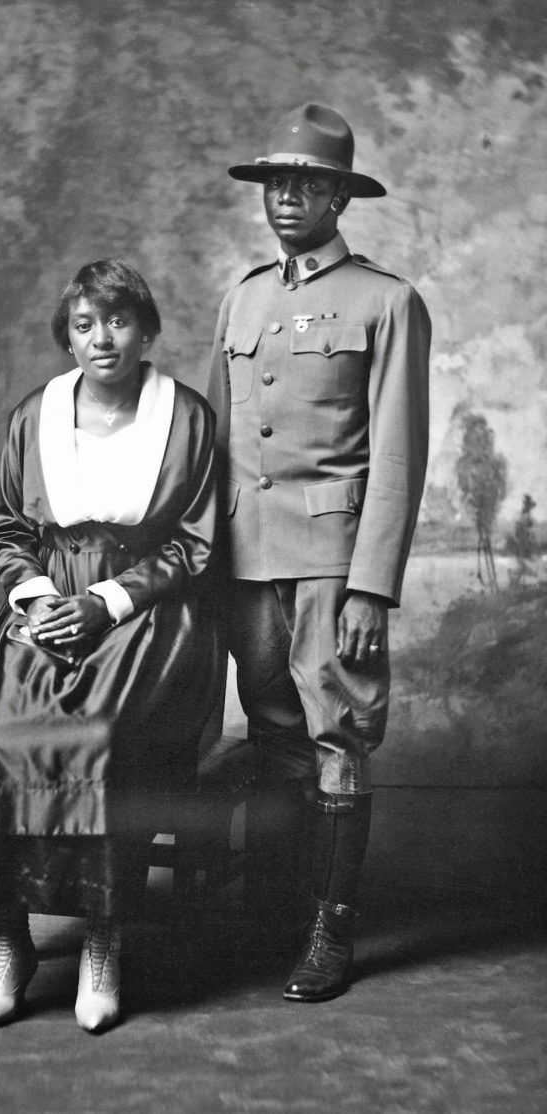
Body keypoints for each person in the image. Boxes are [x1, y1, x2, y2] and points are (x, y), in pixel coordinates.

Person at [0, 259, 218, 1033]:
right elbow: (6, 527)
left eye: (118, 321)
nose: (102, 338)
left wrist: (105, 602)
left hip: (146, 611)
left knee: (102, 733)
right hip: (47, 601)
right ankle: (11, 942)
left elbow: (195, 546)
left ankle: (103, 942)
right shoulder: (35, 415)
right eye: (84, 324)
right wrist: (37, 600)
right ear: (67, 338)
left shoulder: (186, 418)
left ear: (147, 329)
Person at [207, 103, 430, 1001]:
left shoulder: (387, 301)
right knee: (272, 734)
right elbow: (217, 439)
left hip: (334, 562)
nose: (287, 198)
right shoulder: (244, 295)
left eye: (309, 183)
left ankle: (330, 933)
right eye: (277, 183)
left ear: (342, 196)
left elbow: (400, 457)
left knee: (337, 734)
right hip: (244, 558)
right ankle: (273, 914)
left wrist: (370, 587)